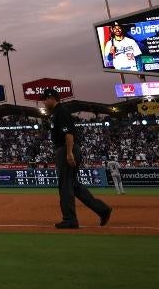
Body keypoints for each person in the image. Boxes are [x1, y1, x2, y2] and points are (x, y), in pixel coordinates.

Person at [43, 88, 111, 229]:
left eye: (45, 99)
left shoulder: (61, 111)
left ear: (52, 98)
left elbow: (68, 134)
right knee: (73, 185)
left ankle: (70, 219)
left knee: (65, 186)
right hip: (66, 150)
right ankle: (102, 209)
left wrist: (69, 153)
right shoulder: (57, 112)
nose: (44, 102)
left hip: (66, 150)